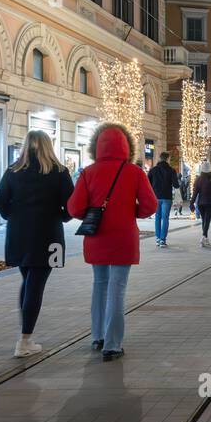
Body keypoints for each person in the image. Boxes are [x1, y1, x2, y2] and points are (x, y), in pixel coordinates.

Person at [67, 123, 158, 361]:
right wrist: (131, 212)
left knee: (99, 285)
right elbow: (151, 205)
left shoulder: (88, 172)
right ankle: (113, 344)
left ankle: (97, 336)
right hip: (123, 237)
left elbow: (74, 208)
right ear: (127, 146)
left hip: (96, 236)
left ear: (96, 146)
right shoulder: (134, 172)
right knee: (117, 289)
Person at [0, 130, 74, 358]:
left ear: (26, 146)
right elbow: (71, 206)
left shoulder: (13, 171)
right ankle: (24, 339)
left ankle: (25, 336)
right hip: (50, 234)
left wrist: (14, 216)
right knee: (36, 284)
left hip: (19, 234)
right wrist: (60, 216)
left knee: (28, 280)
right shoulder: (59, 171)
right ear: (49, 146)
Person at [148, 151, 180, 248]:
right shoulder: (171, 170)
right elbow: (176, 185)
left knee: (157, 217)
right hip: (166, 197)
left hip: (155, 197)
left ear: (160, 158)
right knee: (165, 218)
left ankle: (157, 238)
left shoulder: (153, 170)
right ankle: (162, 240)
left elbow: (147, 183)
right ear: (167, 159)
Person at [192, 161, 211, 248]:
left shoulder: (198, 179)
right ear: (209, 169)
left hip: (200, 203)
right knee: (207, 220)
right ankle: (204, 236)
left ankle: (206, 238)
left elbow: (195, 192)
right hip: (210, 202)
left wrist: (191, 202)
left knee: (204, 220)